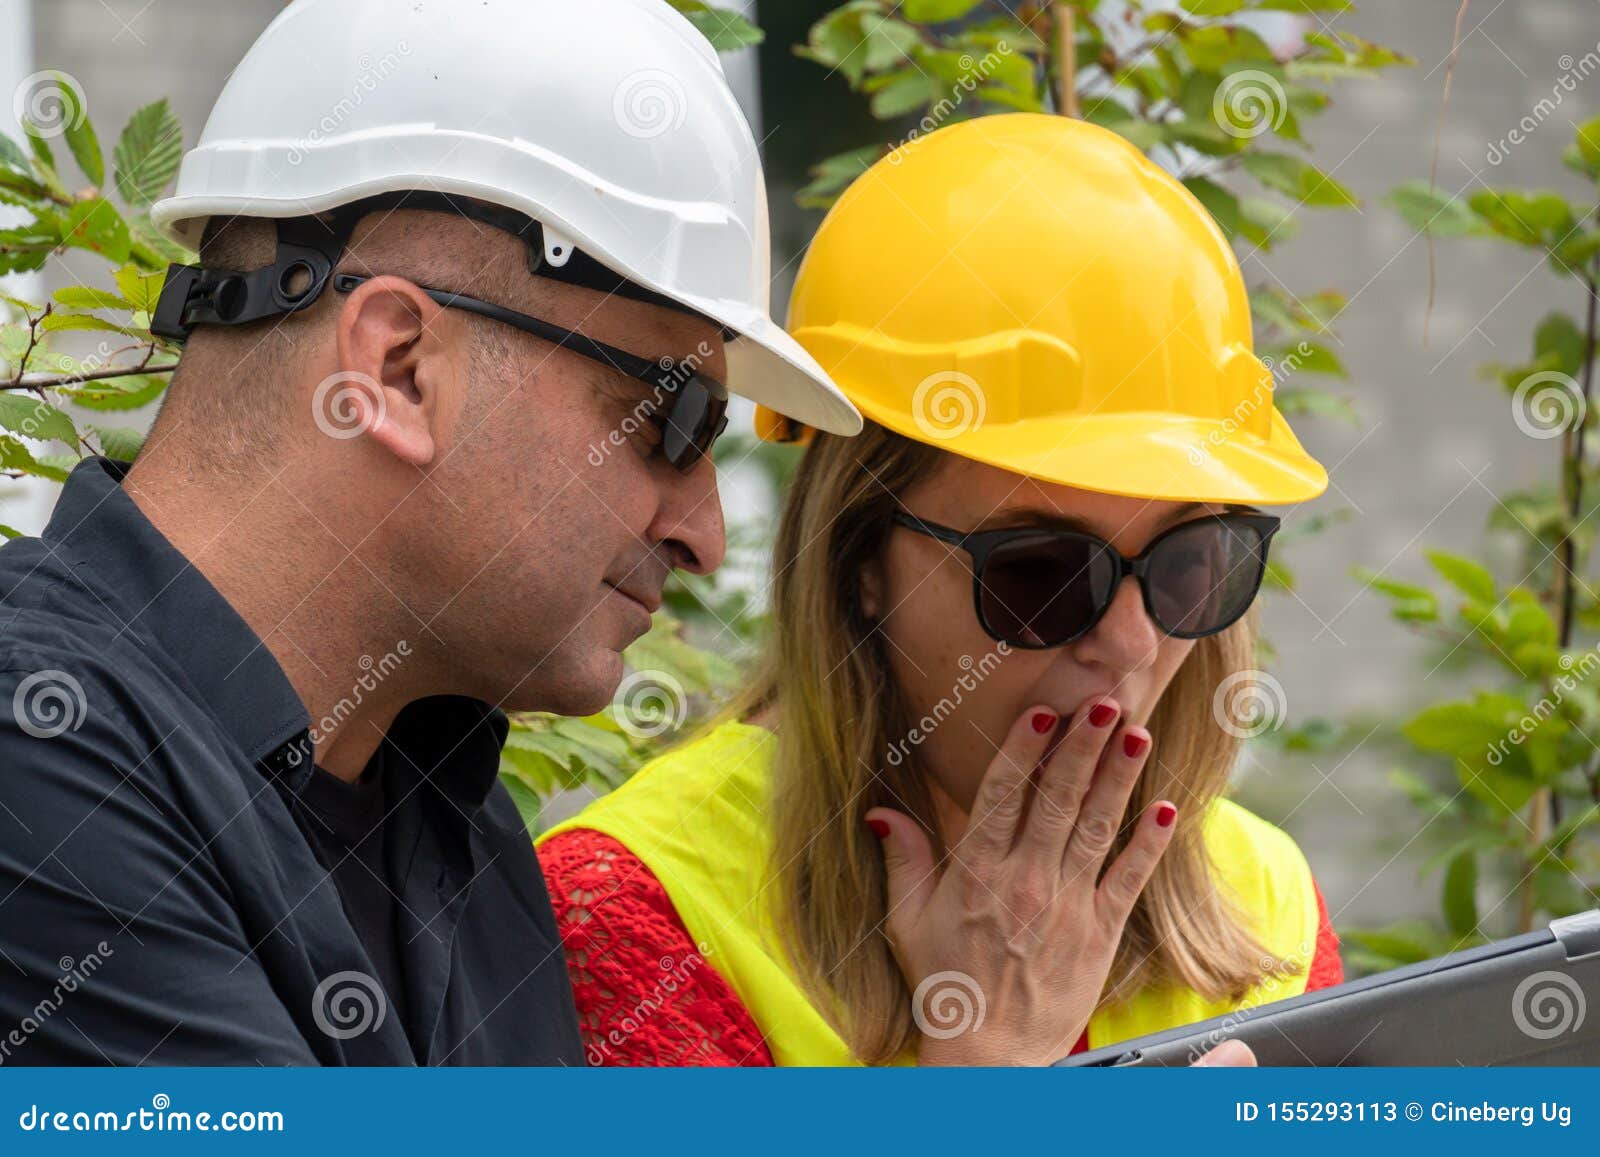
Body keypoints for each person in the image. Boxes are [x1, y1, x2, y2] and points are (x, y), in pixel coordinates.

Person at [0, 0, 857, 1065]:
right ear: (399, 367)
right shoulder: (35, 754)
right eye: (670, 417)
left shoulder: (457, 822)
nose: (705, 534)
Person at [537, 114, 1342, 1067]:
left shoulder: (1263, 904)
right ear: (858, 561)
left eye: (1190, 564)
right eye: (1041, 574)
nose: (1129, 643)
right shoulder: (641, 911)